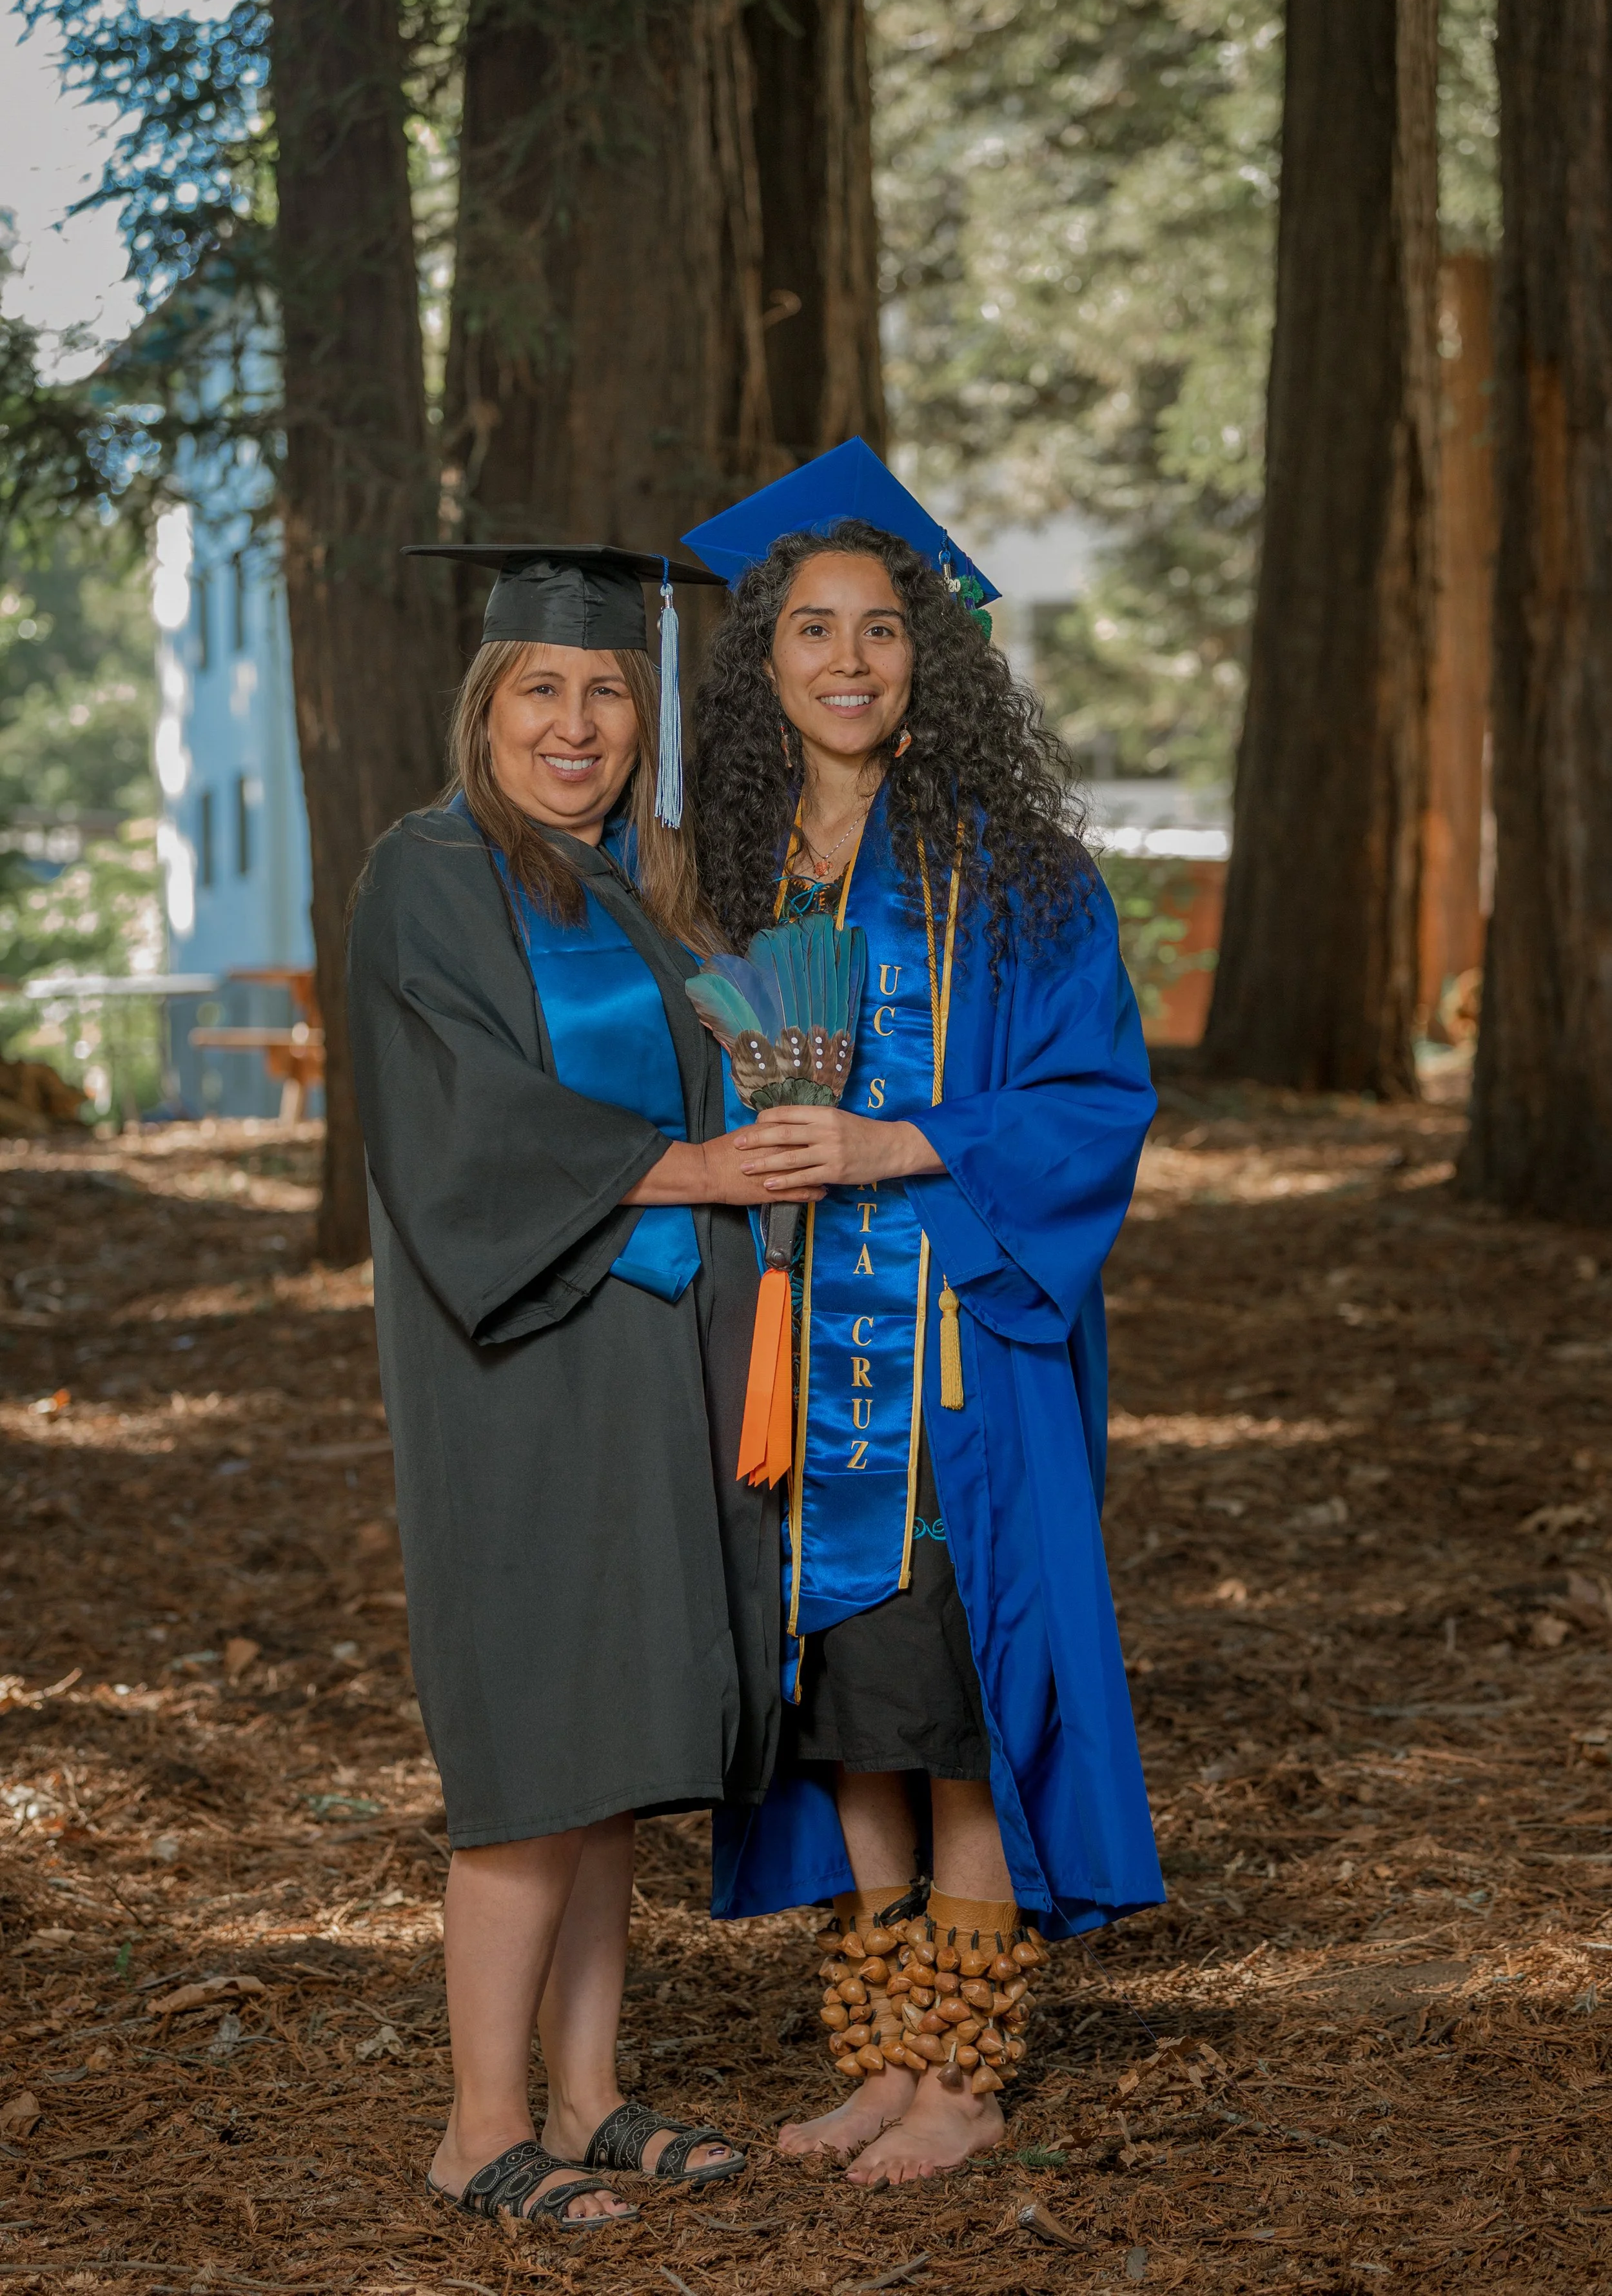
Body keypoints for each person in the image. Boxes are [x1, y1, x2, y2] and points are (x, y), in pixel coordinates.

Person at [682, 442, 1163, 2186]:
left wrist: (900, 1138)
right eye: (810, 629)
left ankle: (964, 2071)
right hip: (788, 1364)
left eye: (880, 629)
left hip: (955, 1362)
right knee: (842, 1714)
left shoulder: (1016, 872)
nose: (846, 660)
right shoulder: (728, 868)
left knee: (956, 1713)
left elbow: (1097, 1099)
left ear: (927, 655)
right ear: (765, 661)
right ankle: (883, 2051)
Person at [348, 544, 809, 2230]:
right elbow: (469, 1126)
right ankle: (480, 2125)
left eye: (606, 686)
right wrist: (701, 1169)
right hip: (516, 1364)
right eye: (541, 685)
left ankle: (591, 2095)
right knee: (529, 1739)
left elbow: (719, 1074)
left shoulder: (624, 881)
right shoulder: (428, 874)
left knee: (607, 1739)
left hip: (638, 1352)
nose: (576, 717)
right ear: (486, 703)